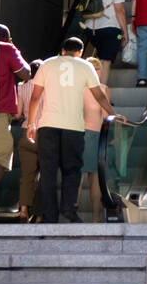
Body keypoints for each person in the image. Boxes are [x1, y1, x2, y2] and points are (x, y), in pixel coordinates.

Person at [26, 38, 120, 224]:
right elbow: (99, 95)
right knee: (72, 170)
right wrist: (114, 114)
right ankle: (68, 208)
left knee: (48, 172)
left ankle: (49, 216)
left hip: (48, 125)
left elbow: (35, 96)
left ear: (62, 51)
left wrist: (31, 124)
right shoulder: (85, 66)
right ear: (80, 51)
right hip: (73, 127)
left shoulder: (47, 64)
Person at [0, 25, 30, 198]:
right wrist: (13, 47)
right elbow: (26, 74)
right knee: (1, 158)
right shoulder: (5, 48)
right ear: (6, 38)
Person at [76, 0, 127, 84]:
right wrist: (125, 32)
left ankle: (91, 87)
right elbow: (119, 10)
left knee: (99, 58)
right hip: (111, 29)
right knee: (106, 61)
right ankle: (100, 93)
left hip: (90, 29)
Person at [81, 56, 109, 223]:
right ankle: (96, 217)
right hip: (95, 134)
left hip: (77, 133)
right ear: (98, 72)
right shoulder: (103, 89)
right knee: (95, 178)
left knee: (74, 176)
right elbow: (106, 116)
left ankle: (71, 210)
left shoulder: (77, 89)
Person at [15, 59, 43, 222]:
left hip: (26, 133)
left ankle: (24, 209)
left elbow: (18, 114)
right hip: (44, 133)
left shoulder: (22, 86)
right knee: (46, 175)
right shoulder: (47, 87)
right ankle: (39, 214)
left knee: (27, 176)